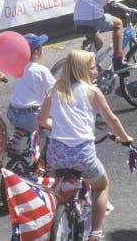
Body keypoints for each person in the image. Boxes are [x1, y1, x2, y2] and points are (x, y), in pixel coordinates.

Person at [38, 50, 134, 241]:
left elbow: (42, 120)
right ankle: (95, 233)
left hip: (56, 155)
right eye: (92, 68)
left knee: (56, 190)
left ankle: (56, 220)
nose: (96, 71)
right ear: (82, 70)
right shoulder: (92, 92)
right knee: (101, 186)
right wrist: (125, 137)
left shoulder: (55, 89)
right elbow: (112, 119)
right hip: (82, 155)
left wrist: (58, 126)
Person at [7, 33, 55, 150]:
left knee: (24, 122)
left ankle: (16, 138)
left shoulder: (17, 67)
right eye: (41, 48)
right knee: (53, 124)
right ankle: (35, 147)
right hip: (31, 117)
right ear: (36, 52)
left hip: (12, 113)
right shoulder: (42, 71)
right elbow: (55, 90)